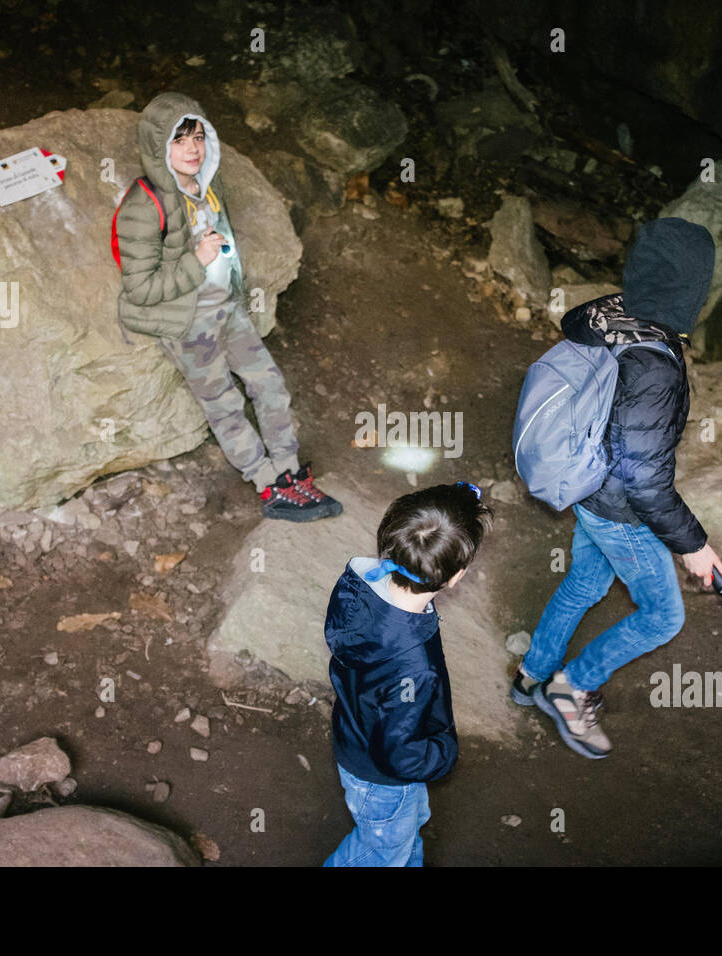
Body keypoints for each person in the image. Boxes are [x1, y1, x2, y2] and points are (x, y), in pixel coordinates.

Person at [513, 217, 722, 759]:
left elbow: (577, 332)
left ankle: (531, 674)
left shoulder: (611, 310)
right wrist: (695, 548)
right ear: (690, 287)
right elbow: (644, 480)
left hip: (586, 485)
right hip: (617, 507)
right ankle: (571, 686)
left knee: (586, 583)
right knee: (664, 616)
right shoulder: (655, 364)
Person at [114, 91, 341, 521]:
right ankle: (267, 484)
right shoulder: (143, 207)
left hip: (227, 310)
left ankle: (290, 471)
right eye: (179, 140)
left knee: (269, 385)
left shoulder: (207, 185)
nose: (192, 149)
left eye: (198, 136)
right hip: (188, 325)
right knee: (223, 403)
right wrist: (195, 262)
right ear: (159, 145)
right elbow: (141, 288)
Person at [323, 482, 492, 866]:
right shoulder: (413, 666)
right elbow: (398, 754)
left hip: (358, 735)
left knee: (407, 829)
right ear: (454, 577)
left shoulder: (359, 588)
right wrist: (443, 753)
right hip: (382, 778)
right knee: (381, 852)